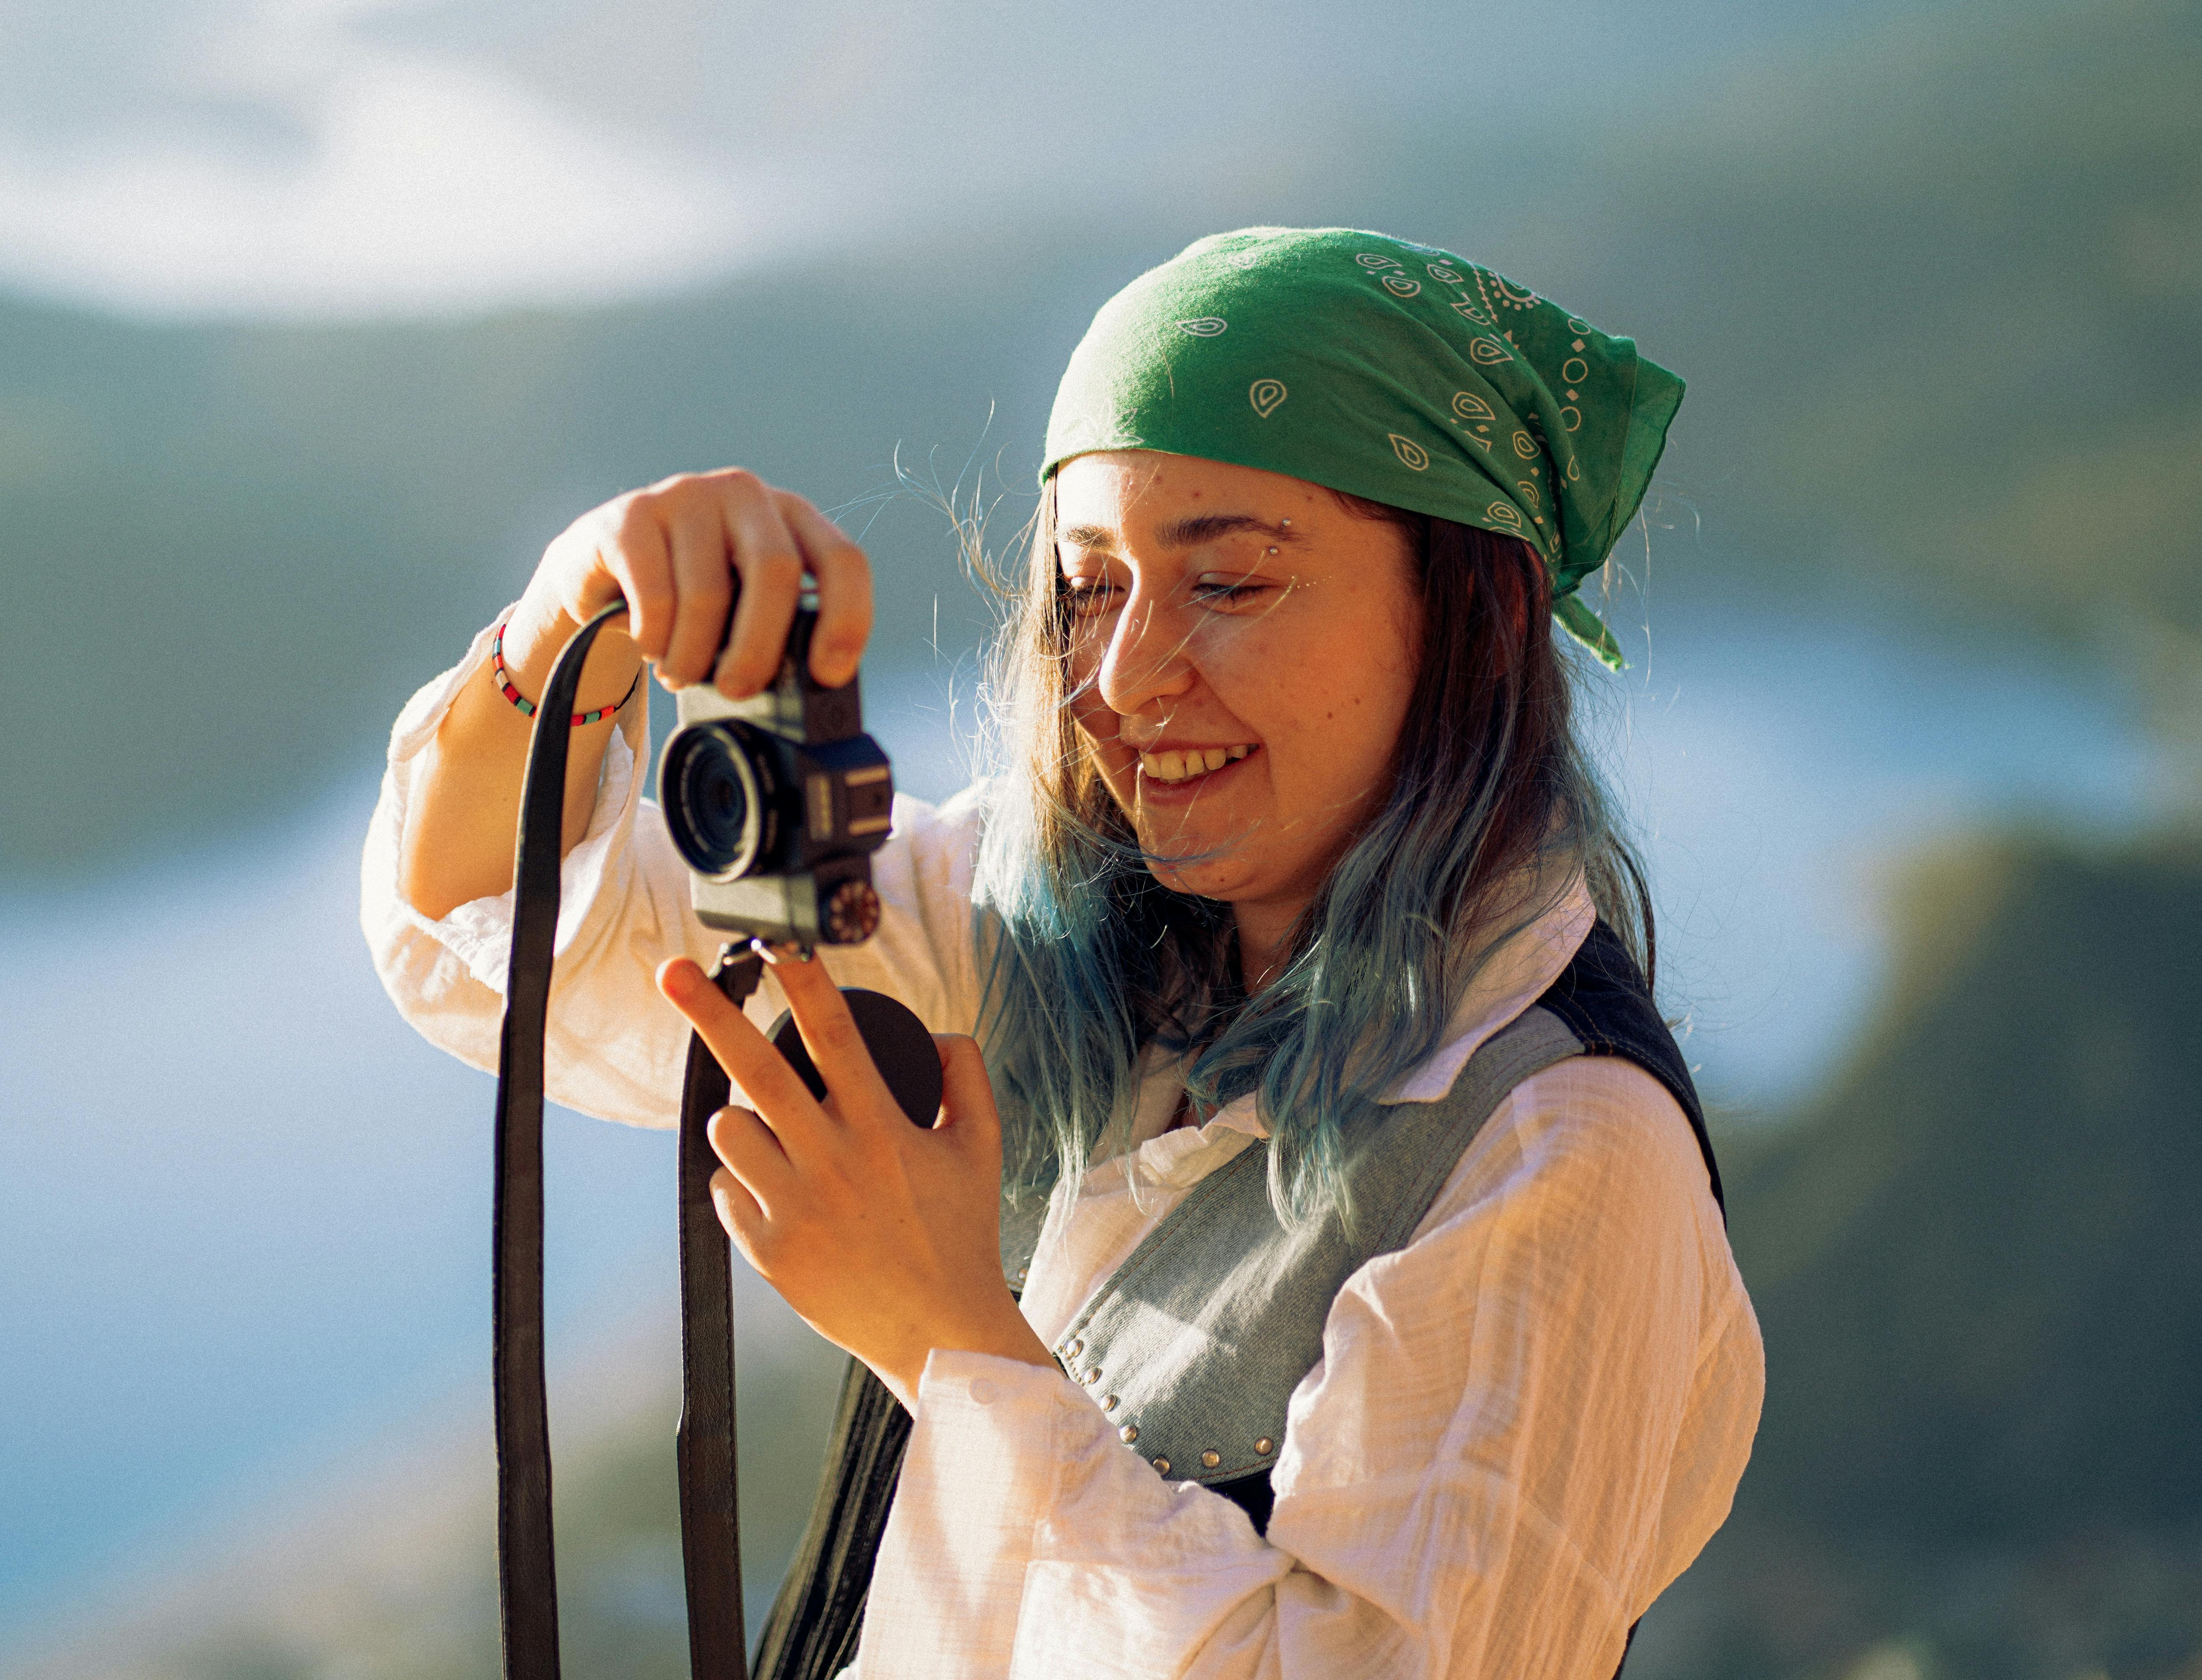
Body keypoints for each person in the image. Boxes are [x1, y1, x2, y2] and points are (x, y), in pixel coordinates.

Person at [362, 227, 1763, 1678]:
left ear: (1468, 615)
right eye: (1091, 588)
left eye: (1228, 586)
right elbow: (494, 943)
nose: (1119, 679)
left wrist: (950, 1341)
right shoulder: (1030, 937)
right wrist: (570, 619)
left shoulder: (1563, 1150)